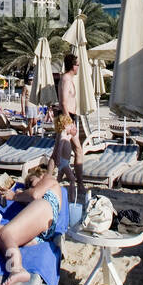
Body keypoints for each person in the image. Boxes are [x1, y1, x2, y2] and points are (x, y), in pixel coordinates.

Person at [59, 53, 86, 201]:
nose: (78, 68)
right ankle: (76, 183)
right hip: (65, 116)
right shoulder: (66, 79)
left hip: (69, 116)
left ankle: (79, 183)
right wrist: (69, 122)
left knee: (77, 150)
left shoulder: (69, 79)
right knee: (61, 152)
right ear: (72, 65)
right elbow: (63, 102)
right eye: (78, 65)